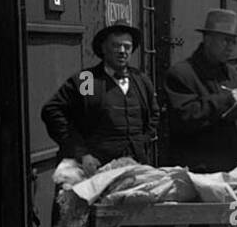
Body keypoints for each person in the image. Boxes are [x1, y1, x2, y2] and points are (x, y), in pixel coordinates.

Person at [41, 23, 159, 174]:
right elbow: (53, 111)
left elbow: (154, 114)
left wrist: (142, 142)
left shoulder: (141, 79)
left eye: (127, 46)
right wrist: (80, 152)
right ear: (103, 48)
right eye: (116, 46)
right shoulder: (88, 80)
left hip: (135, 165)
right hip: (95, 167)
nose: (122, 51)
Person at [162, 9, 237, 172]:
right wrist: (226, 100)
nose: (230, 47)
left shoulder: (234, 75)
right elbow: (185, 117)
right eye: (225, 41)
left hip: (230, 169)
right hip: (196, 170)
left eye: (233, 41)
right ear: (207, 39)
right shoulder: (181, 74)